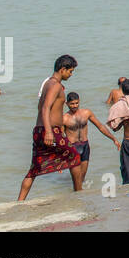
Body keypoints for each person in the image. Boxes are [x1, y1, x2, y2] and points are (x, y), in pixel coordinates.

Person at [17, 55, 82, 200]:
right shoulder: (56, 85)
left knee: (34, 169)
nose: (71, 75)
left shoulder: (47, 83)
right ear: (62, 69)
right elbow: (45, 108)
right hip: (50, 131)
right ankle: (79, 193)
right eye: (70, 71)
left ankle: (19, 201)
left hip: (39, 130)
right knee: (75, 157)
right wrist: (49, 132)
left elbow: (39, 106)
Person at [62, 92, 120, 183]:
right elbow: (61, 137)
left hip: (85, 146)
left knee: (82, 176)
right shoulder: (64, 118)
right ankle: (76, 193)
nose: (74, 106)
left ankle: (81, 196)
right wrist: (60, 156)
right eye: (72, 104)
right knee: (76, 178)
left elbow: (100, 126)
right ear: (67, 104)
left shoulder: (86, 113)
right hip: (72, 147)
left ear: (79, 101)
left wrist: (113, 139)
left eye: (76, 103)